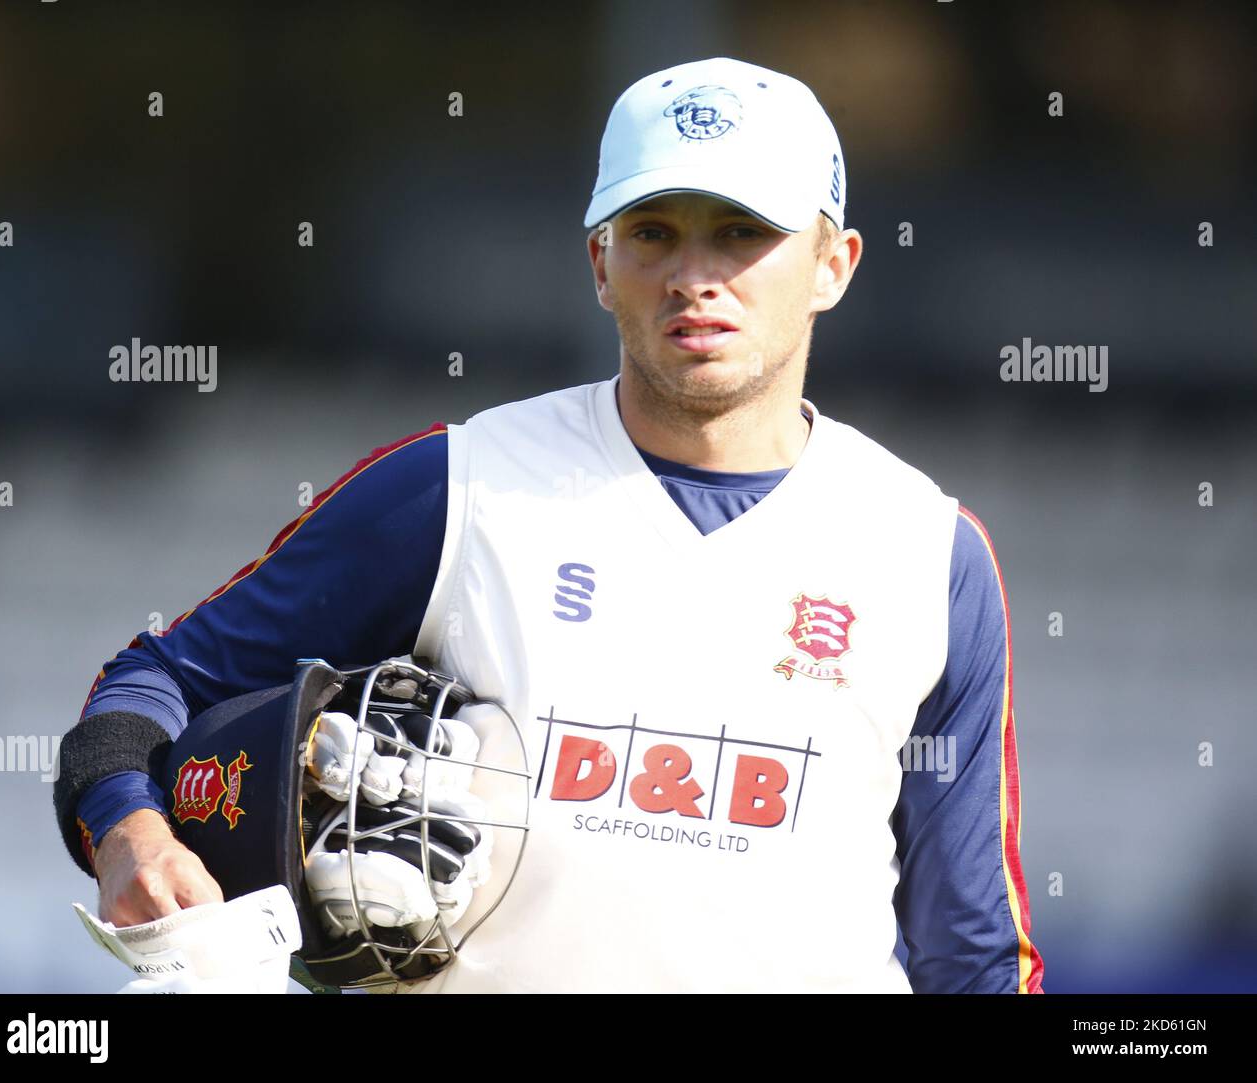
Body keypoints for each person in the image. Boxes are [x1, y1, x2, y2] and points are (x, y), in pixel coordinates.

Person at [55, 56, 1043, 993]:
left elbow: (973, 951)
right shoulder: (458, 491)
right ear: (599, 264)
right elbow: (156, 684)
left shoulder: (928, 554)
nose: (693, 275)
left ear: (833, 264)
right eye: (652, 231)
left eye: (742, 232)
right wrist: (132, 830)